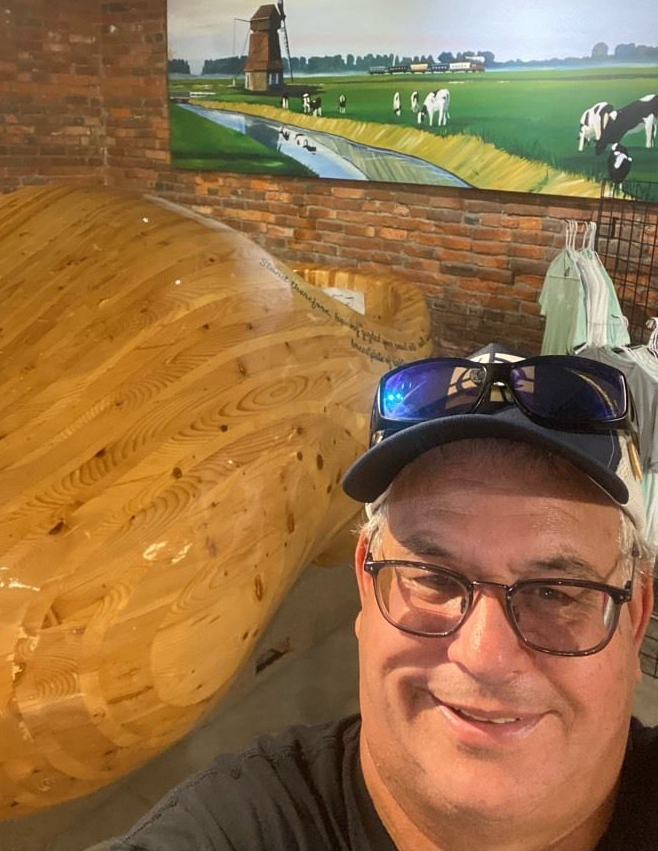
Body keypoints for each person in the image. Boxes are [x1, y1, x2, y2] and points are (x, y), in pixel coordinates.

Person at [97, 345, 657, 850]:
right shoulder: (239, 825)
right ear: (366, 584)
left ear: (635, 617)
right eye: (434, 578)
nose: (485, 656)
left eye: (556, 593)